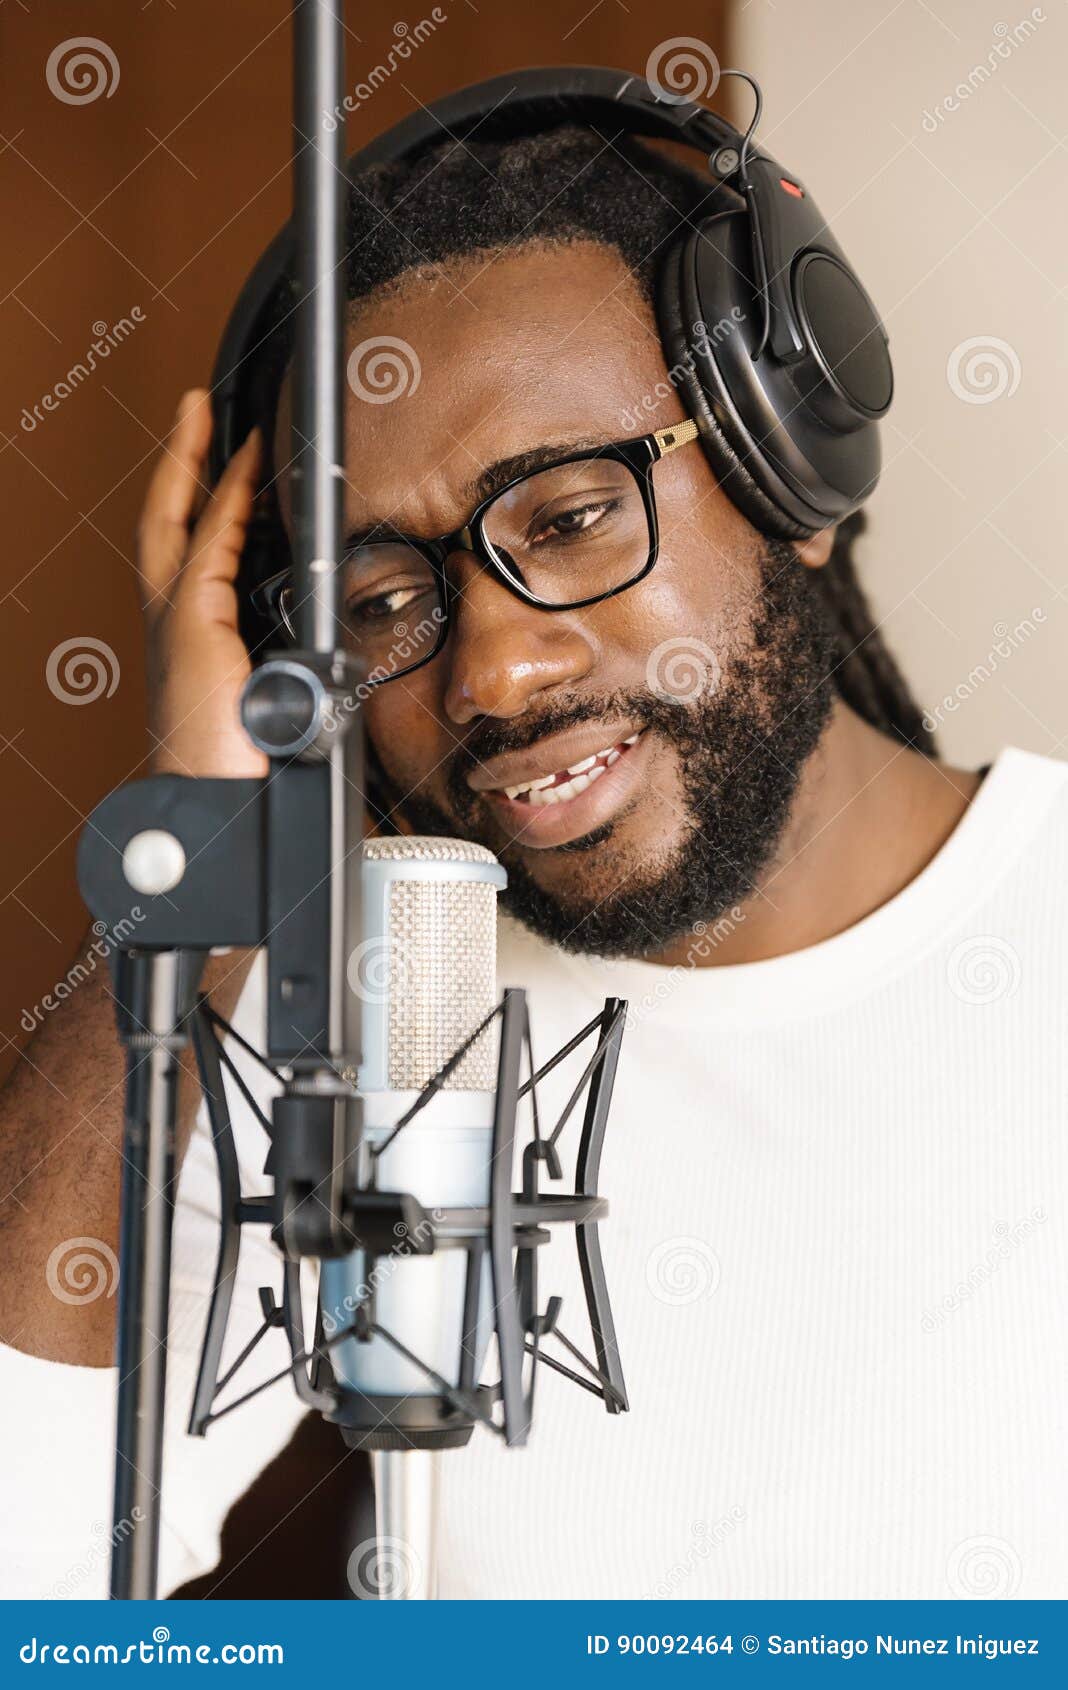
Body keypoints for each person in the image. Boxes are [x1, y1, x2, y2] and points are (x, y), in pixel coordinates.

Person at [1, 121, 1065, 1601]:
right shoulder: (367, 1014)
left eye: (567, 519)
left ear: (787, 467)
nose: (490, 674)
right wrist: (204, 830)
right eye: (382, 598)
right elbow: (25, 1558)